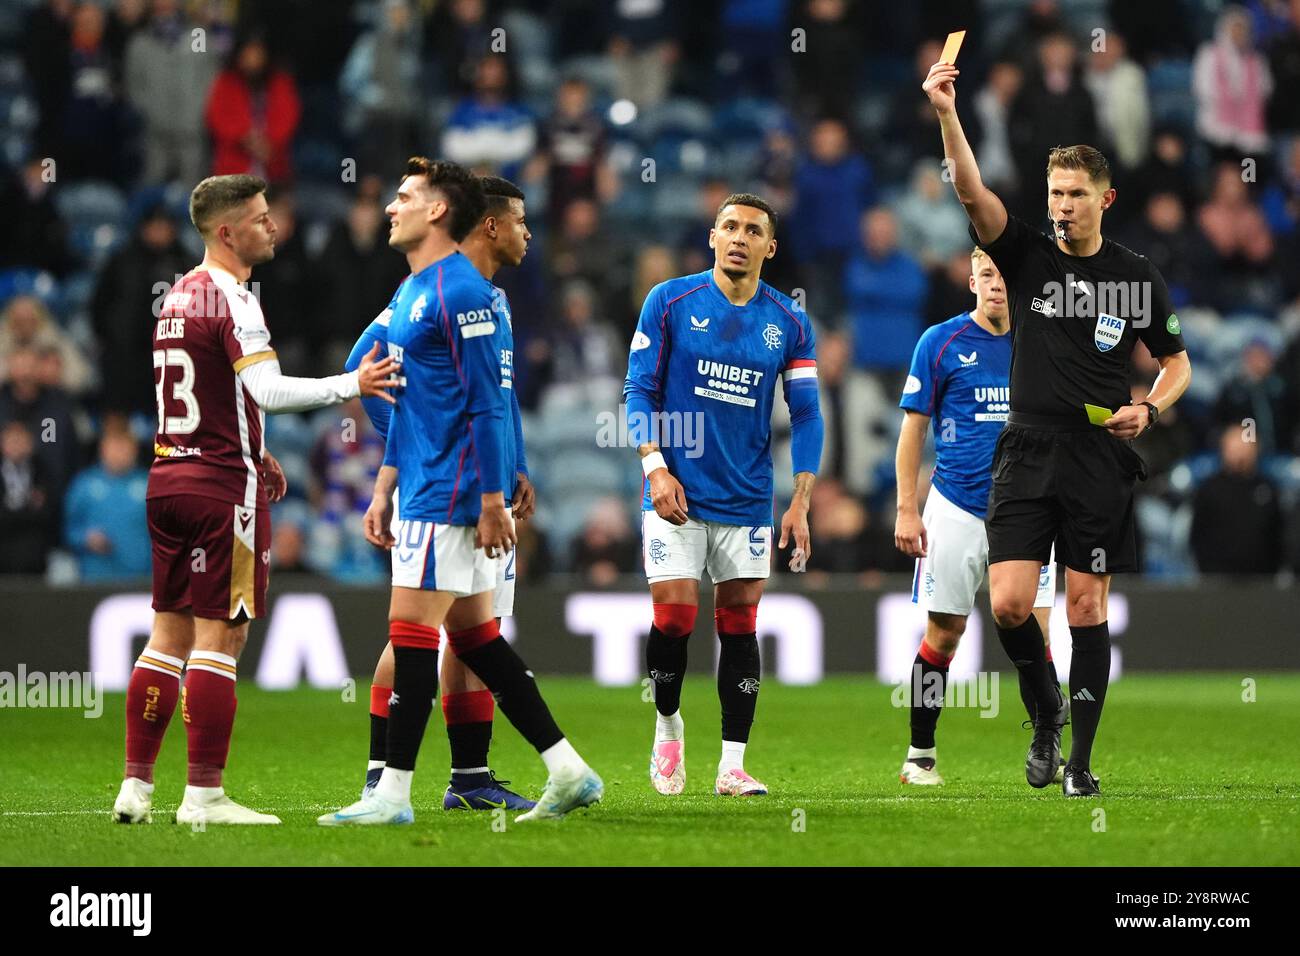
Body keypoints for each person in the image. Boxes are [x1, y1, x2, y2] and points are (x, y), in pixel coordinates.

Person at [923, 59, 1192, 797]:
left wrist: (1153, 406)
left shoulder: (1135, 276)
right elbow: (972, 190)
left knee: (1084, 605)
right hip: (1028, 447)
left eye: (1075, 194)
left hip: (1098, 455)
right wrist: (948, 114)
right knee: (1009, 604)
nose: (1063, 205)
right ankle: (1046, 715)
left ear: (1105, 197)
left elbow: (1177, 363)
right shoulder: (1026, 255)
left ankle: (1079, 764)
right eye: (1054, 193)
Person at [318, 159, 601, 826]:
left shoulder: (458, 294)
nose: (392, 208)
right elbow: (387, 384)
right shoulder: (425, 291)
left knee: (412, 635)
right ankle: (567, 768)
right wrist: (391, 474)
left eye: (406, 197)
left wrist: (493, 496)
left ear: (440, 212)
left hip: (448, 493)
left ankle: (389, 796)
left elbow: (483, 404)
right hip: (439, 483)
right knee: (476, 639)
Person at [112, 173, 399, 826]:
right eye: (260, 218)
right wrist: (349, 383)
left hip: (169, 479)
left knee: (166, 636)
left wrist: (252, 442)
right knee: (223, 637)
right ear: (226, 231)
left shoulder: (178, 296)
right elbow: (267, 390)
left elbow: (205, 393)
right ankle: (205, 796)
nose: (272, 226)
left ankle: (135, 787)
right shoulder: (235, 300)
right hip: (220, 491)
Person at [346, 175, 539, 813]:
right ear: (489, 224)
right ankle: (384, 779)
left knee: (473, 629)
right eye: (519, 220)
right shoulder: (431, 291)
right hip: (450, 488)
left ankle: (470, 777)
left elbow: (497, 399)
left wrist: (515, 463)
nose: (528, 233)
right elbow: (362, 366)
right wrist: (420, 447)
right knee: (418, 633)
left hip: (486, 483)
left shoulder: (491, 298)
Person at [624, 192, 824, 797]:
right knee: (677, 615)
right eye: (729, 226)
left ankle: (732, 763)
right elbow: (638, 392)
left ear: (770, 247)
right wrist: (656, 468)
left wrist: (801, 498)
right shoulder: (670, 301)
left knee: (740, 625)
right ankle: (667, 726)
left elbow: (808, 416)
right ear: (712, 236)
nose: (739, 237)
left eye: (752, 230)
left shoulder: (789, 322)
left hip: (746, 498)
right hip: (675, 495)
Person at [893, 247, 1060, 785]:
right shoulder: (939, 342)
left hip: (1030, 511)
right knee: (944, 633)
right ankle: (920, 754)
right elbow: (913, 430)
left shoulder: (1043, 341)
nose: (996, 283)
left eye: (1005, 273)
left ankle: (1049, 747)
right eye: (986, 274)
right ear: (971, 281)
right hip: (957, 507)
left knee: (1038, 637)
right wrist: (906, 508)